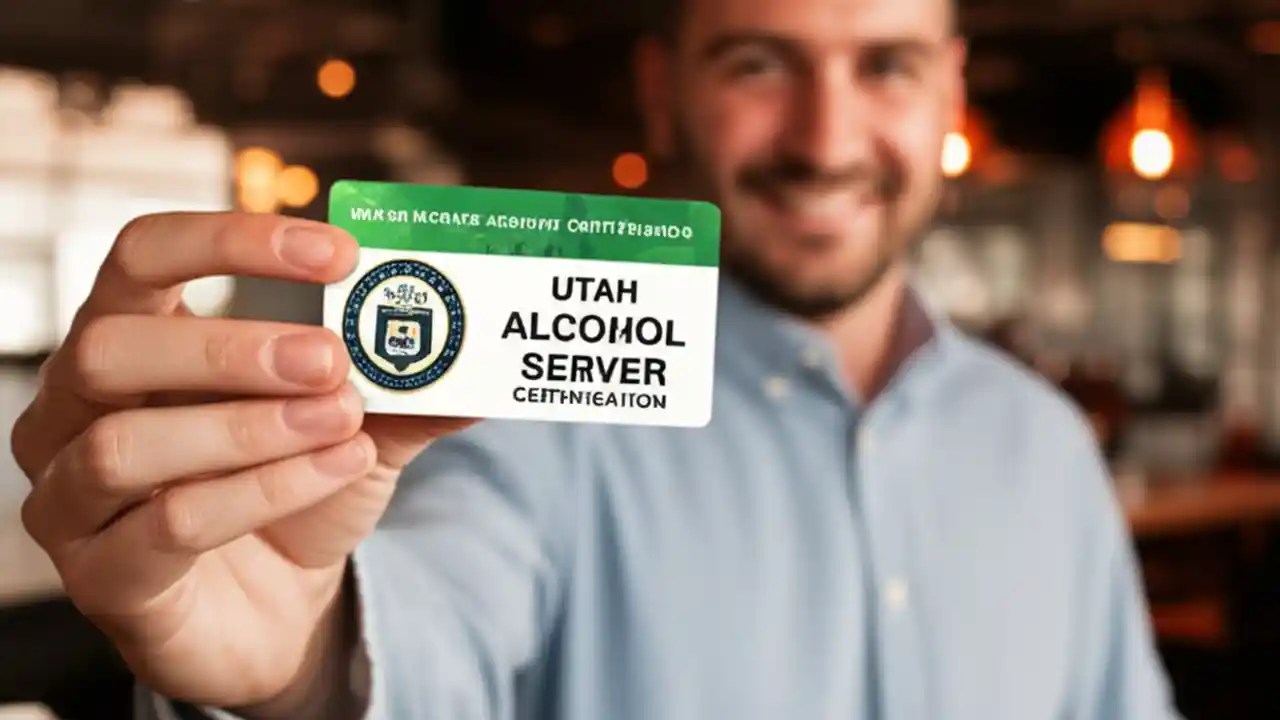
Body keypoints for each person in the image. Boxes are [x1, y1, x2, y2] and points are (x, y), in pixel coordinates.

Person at [10, 0, 1180, 717]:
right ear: (664, 94)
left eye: (884, 64)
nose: (826, 141)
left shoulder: (1042, 447)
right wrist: (304, 659)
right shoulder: (521, 419)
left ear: (949, 90)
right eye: (758, 63)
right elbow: (439, 625)